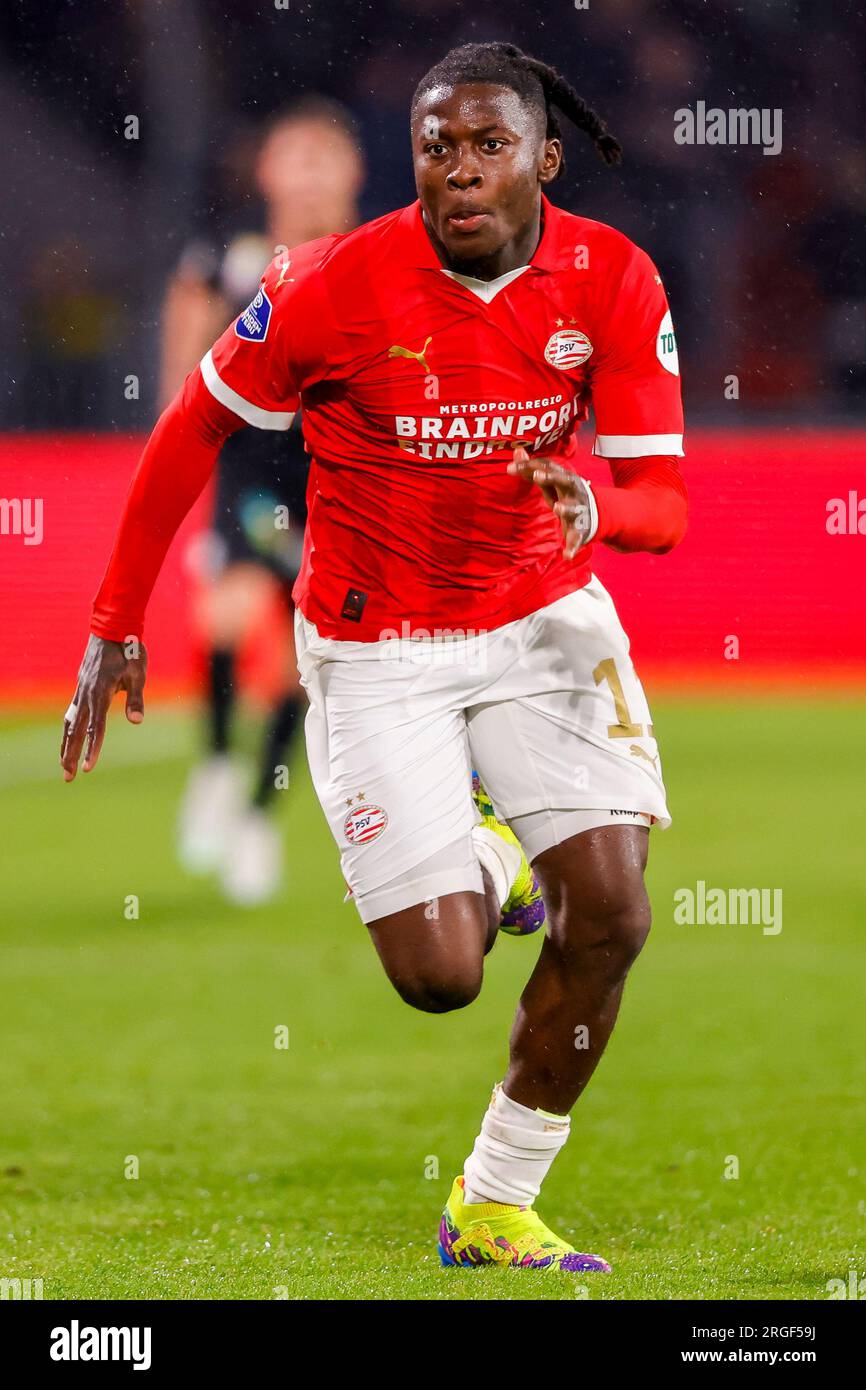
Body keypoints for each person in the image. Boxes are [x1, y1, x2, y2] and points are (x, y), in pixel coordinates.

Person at [61, 41, 687, 1272]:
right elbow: (190, 430)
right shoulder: (329, 285)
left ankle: (492, 1201)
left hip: (545, 620)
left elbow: (660, 503)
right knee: (441, 976)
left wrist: (594, 511)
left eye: (488, 146)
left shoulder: (608, 278)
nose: (457, 172)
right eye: (434, 147)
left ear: (543, 160)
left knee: (610, 914)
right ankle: (489, 850)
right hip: (374, 640)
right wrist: (113, 618)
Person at [160, 101, 364, 903]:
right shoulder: (228, 256)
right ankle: (215, 764)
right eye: (295, 156)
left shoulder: (381, 256)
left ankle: (256, 817)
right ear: (268, 172)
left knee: (300, 666)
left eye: (326, 157)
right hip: (253, 471)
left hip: (341, 476)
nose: (311, 172)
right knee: (227, 618)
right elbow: (184, 375)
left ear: (354, 172)